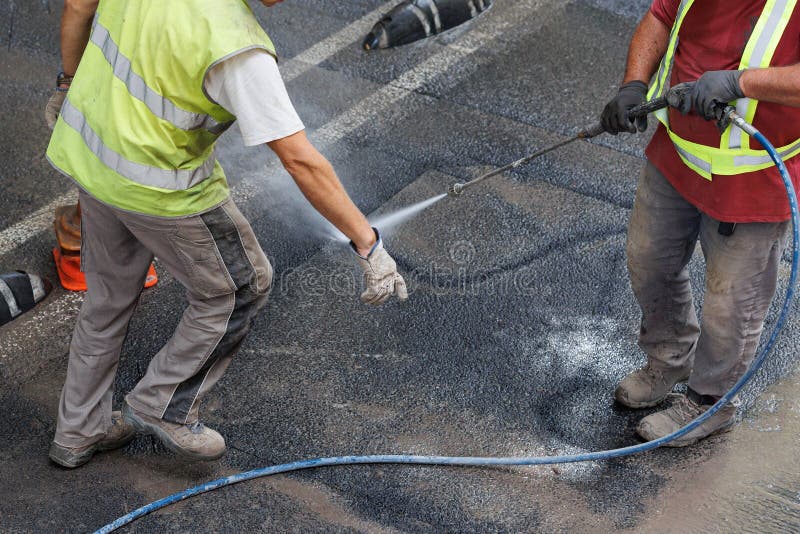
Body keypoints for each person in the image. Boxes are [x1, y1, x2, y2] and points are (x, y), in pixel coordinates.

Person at [46, 0, 408, 469]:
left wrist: (68, 82)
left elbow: (78, 5)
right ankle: (164, 404)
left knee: (107, 298)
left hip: (92, 155)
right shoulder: (235, 48)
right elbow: (300, 159)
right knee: (242, 286)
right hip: (160, 188)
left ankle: (78, 431)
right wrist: (368, 243)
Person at [601, 0, 800, 447]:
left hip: (752, 179)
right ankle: (670, 358)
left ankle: (710, 404)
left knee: (732, 303)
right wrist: (634, 84)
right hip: (676, 154)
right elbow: (661, 16)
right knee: (648, 259)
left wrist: (738, 83)